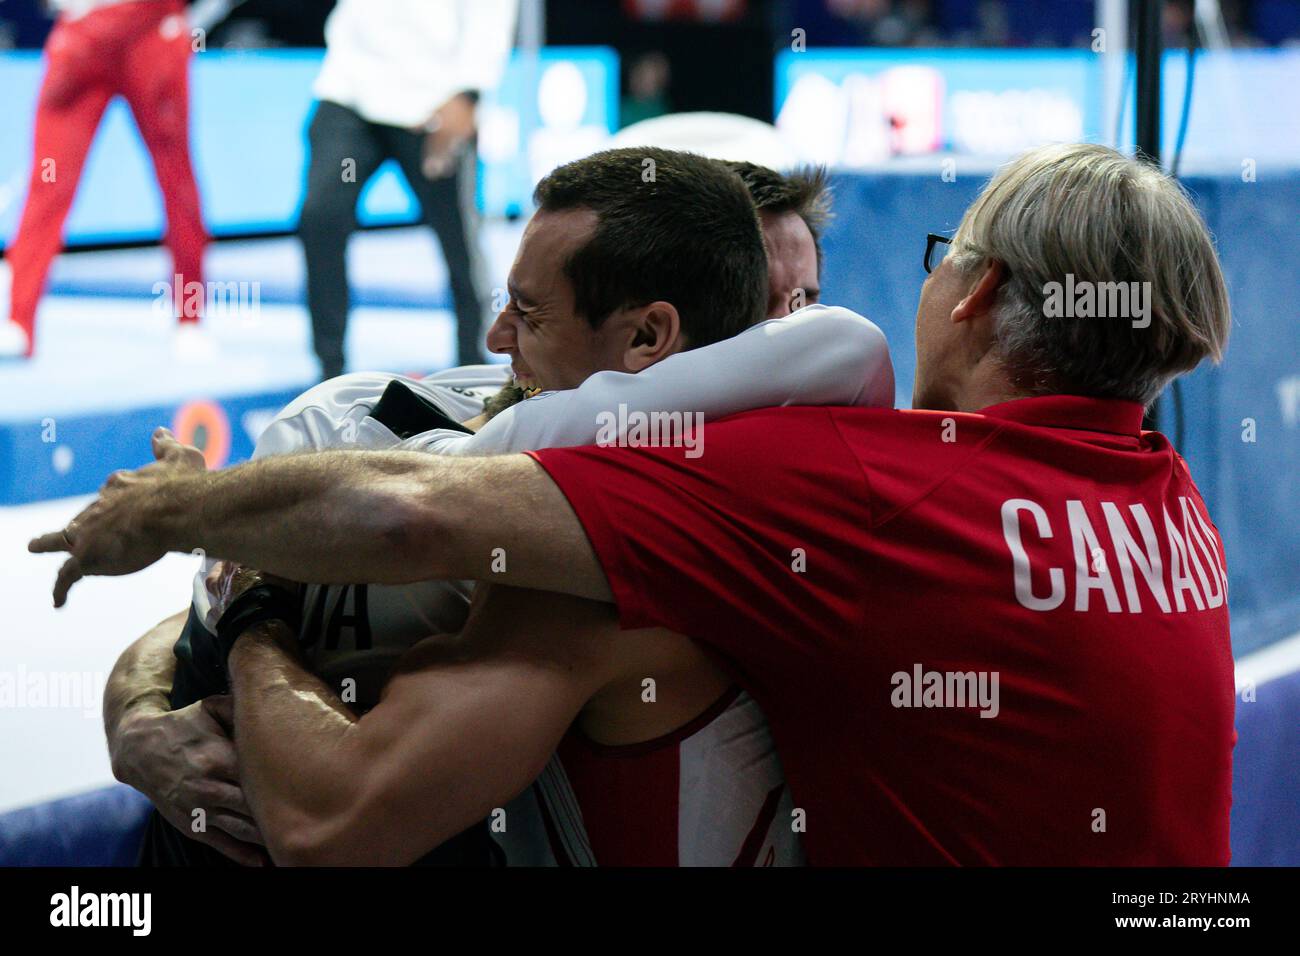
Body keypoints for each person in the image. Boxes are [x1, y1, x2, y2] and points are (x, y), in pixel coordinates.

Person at [45, 144, 1231, 866]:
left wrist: (207, 546)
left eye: (796, 303)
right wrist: (141, 699)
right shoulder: (1172, 509)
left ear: (971, 296)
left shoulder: (827, 482)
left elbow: (335, 820)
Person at [99, 151, 891, 865]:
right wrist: (135, 721)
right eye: (758, 311)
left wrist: (227, 568)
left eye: (797, 309)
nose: (766, 342)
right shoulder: (360, 420)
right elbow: (200, 606)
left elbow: (330, 826)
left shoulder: (701, 514)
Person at [298, 0, 517, 379]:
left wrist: (468, 94)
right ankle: (328, 372)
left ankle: (474, 370)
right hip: (350, 87)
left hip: (435, 100)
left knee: (458, 239)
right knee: (321, 217)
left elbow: (492, 11)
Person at [0, 0, 209, 360]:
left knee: (177, 184)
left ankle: (190, 318)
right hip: (82, 40)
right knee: (47, 183)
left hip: (151, 30)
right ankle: (19, 319)